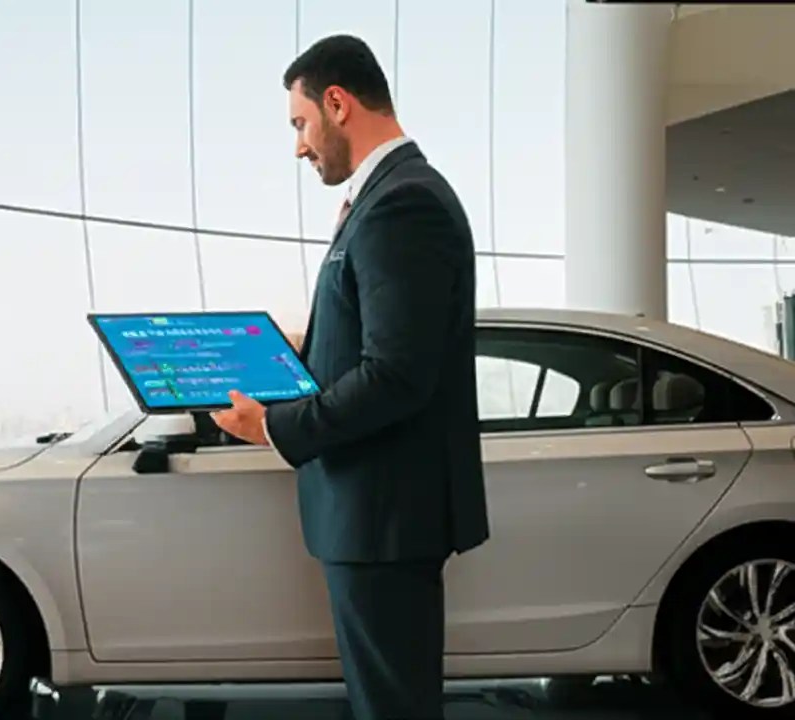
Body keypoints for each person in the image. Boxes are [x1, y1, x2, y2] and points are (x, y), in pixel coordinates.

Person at [210, 34, 490, 720]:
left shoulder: (403, 204)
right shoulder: (388, 198)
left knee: (392, 706)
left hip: (384, 515)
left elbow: (396, 374)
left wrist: (273, 426)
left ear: (337, 103)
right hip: (375, 514)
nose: (299, 147)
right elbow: (378, 340)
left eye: (300, 124)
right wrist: (297, 352)